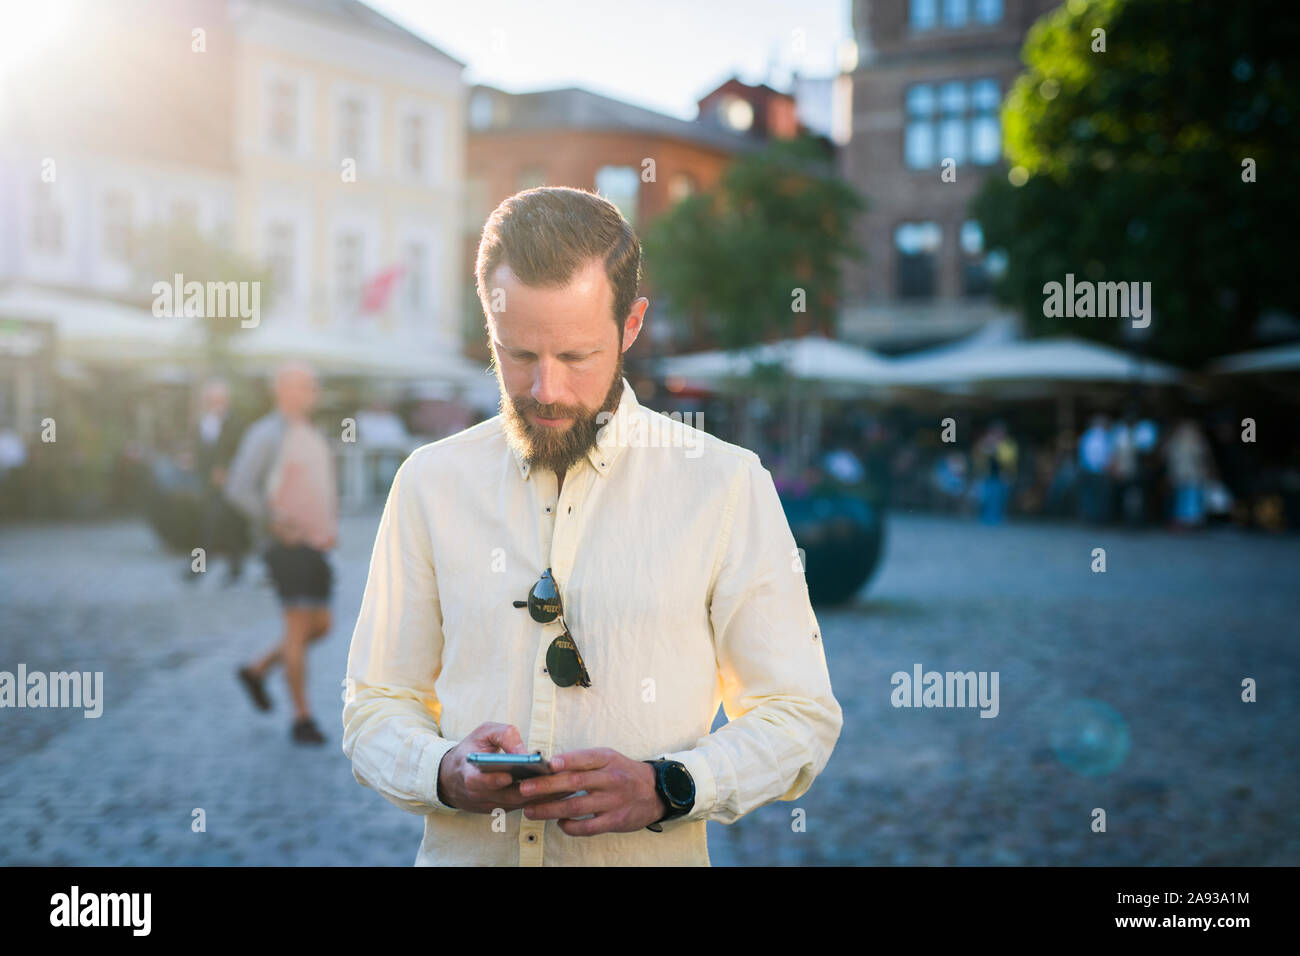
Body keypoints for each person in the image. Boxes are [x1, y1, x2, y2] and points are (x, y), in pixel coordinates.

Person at [342, 187, 842, 866]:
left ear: (631, 326)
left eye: (576, 357)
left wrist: (669, 785)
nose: (545, 389)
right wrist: (442, 771)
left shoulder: (726, 485)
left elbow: (799, 714)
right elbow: (375, 702)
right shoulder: (428, 482)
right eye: (518, 353)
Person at [226, 362, 339, 745]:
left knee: (321, 625)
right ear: (279, 390)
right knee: (297, 626)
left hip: (314, 544)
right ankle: (302, 719)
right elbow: (239, 487)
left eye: (312, 386)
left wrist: (327, 526)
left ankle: (256, 670)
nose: (309, 393)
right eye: (300, 386)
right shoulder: (266, 434)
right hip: (285, 547)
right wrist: (274, 522)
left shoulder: (307, 431)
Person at [183, 378, 249, 584]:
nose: (216, 403)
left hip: (230, 484)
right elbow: (199, 451)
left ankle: (231, 569)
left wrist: (226, 469)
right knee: (206, 525)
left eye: (220, 399)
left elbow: (242, 452)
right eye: (212, 399)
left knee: (227, 525)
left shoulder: (236, 424)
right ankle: (205, 567)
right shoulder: (201, 423)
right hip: (205, 484)